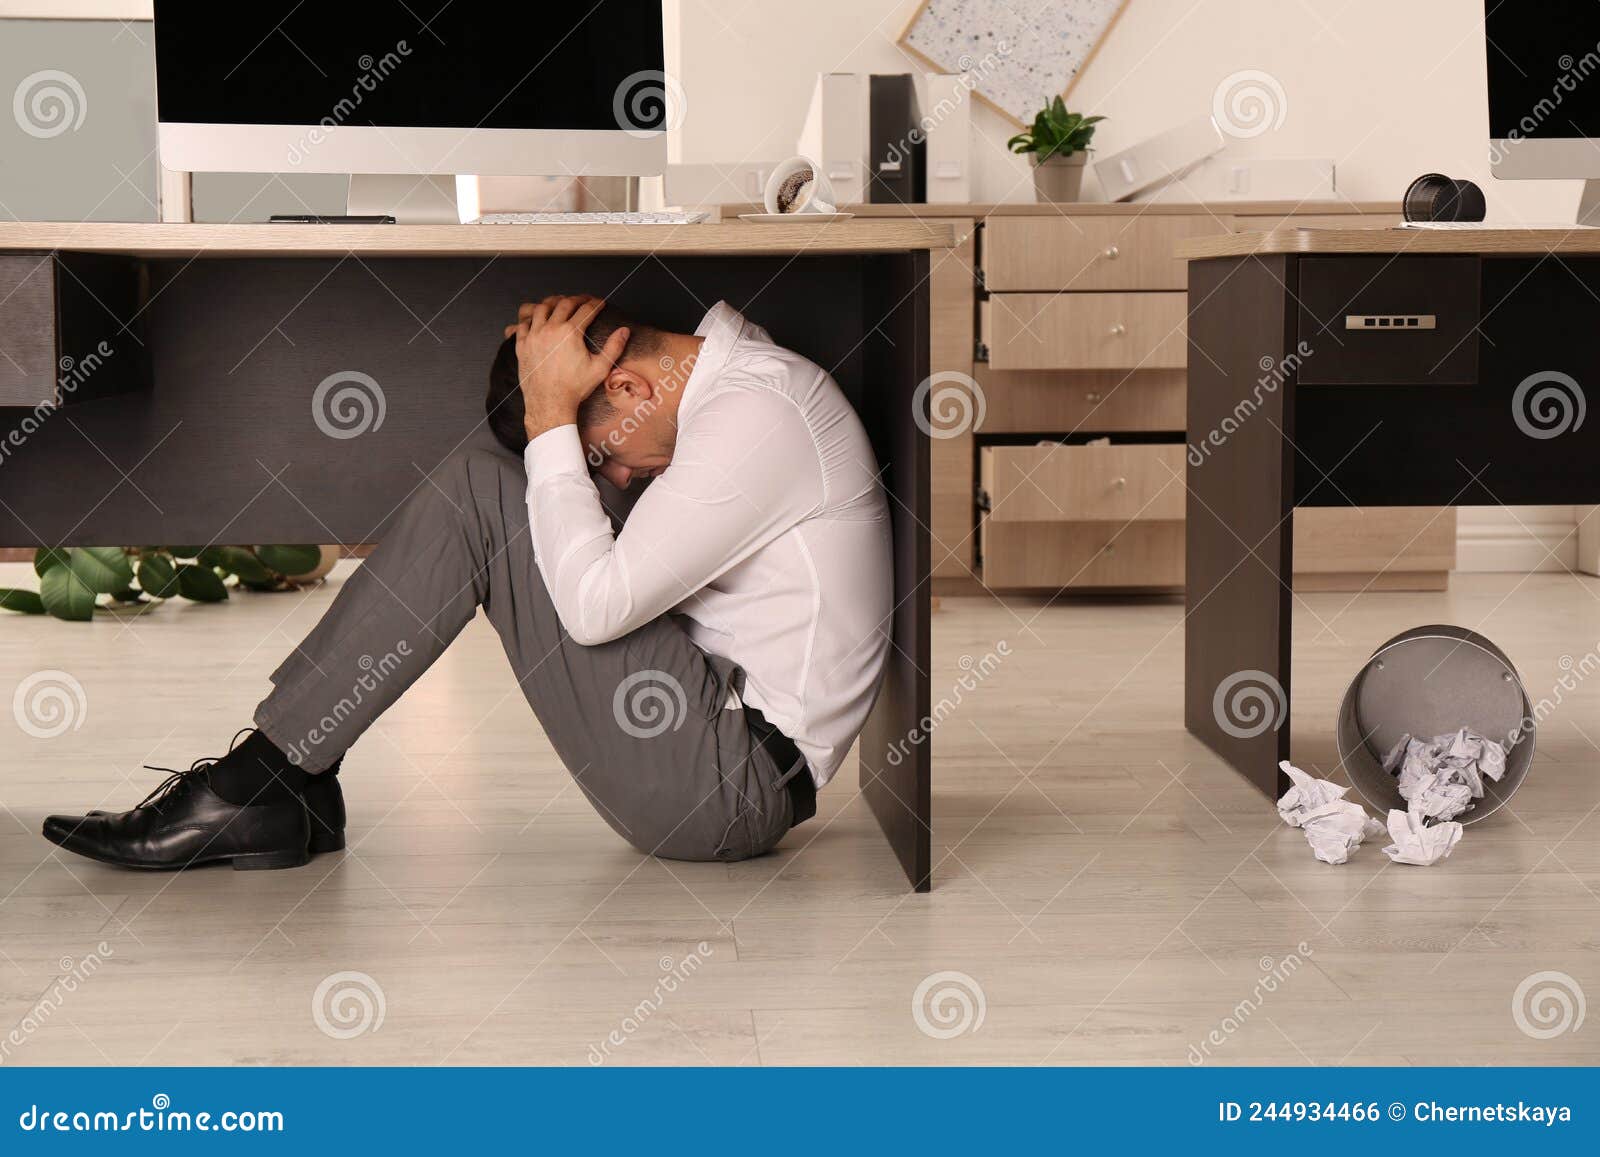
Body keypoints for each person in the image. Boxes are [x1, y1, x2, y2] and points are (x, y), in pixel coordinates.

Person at [41, 296, 893, 869]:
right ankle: (280, 781)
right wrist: (558, 426)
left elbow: (595, 610)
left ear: (627, 385)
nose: (623, 480)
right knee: (500, 475)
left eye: (609, 456)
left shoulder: (757, 414)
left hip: (726, 786)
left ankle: (262, 787)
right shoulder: (740, 392)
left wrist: (553, 418)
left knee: (481, 488)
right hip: (708, 729)